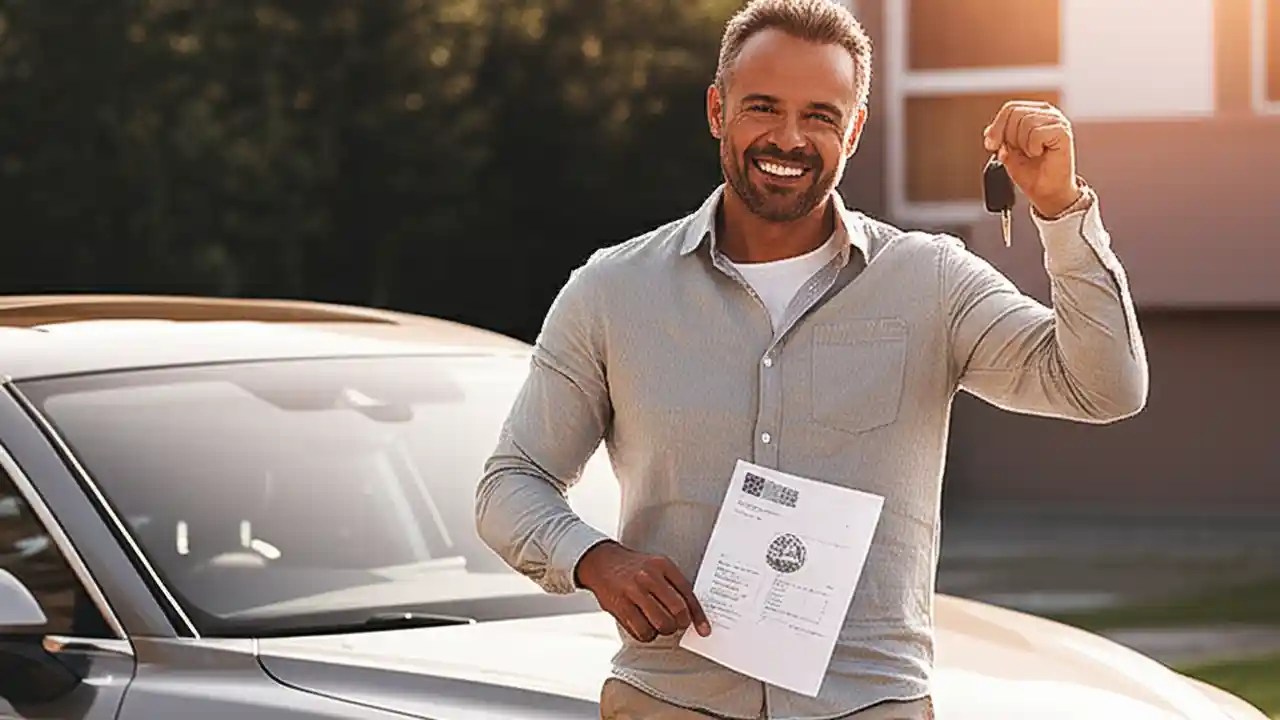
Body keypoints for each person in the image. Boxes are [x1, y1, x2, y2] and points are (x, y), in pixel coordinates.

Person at [475, 0, 1148, 717]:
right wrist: (595, 559)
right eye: (762, 107)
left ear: (854, 129)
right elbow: (511, 483)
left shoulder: (931, 282)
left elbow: (1103, 387)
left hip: (867, 702)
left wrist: (1060, 209)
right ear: (716, 109)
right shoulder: (612, 291)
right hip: (670, 700)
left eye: (821, 115)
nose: (788, 138)